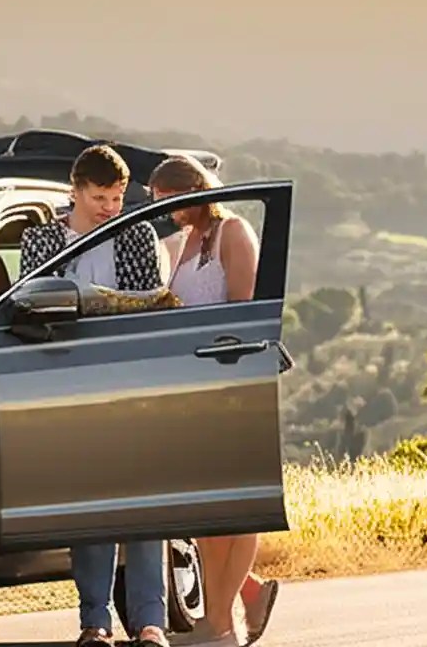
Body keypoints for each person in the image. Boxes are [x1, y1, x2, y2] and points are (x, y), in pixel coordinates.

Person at [19, 143, 173, 647]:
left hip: (131, 382)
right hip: (69, 384)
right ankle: (95, 623)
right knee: (90, 508)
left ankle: (151, 622)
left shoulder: (137, 236)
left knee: (143, 505)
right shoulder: (42, 239)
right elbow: (31, 300)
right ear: (77, 190)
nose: (111, 207)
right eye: (102, 197)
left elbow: (150, 303)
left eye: (117, 196)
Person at [148, 155, 280, 647]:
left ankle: (220, 623)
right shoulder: (180, 244)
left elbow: (245, 306)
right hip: (190, 388)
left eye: (173, 202)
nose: (170, 212)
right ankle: (223, 615)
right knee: (205, 511)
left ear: (195, 192)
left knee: (237, 506)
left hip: (231, 381)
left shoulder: (234, 232)